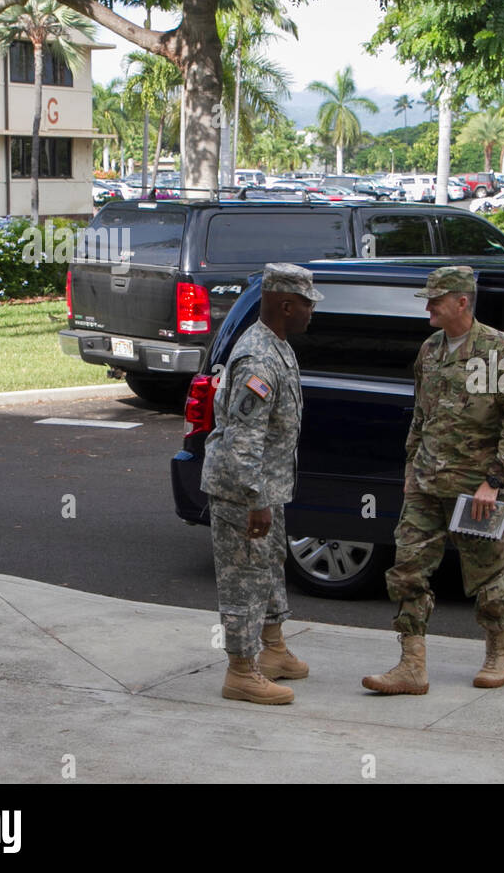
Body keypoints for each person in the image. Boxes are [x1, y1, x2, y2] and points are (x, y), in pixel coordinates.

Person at [363, 265, 504, 695]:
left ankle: (498, 653)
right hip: (426, 483)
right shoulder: (430, 351)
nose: (428, 307)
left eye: (436, 300)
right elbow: (420, 418)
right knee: (407, 569)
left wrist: (493, 482)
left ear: (462, 301)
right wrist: (410, 473)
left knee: (486, 574)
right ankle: (411, 666)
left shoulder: (502, 352)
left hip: (478, 488)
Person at [201, 263, 323, 704]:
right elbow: (242, 438)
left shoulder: (279, 345)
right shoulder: (258, 356)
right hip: (242, 488)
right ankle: (240, 671)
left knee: (269, 569)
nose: (313, 312)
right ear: (286, 305)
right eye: (308, 304)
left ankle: (272, 650)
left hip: (266, 485)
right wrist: (254, 499)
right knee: (244, 579)